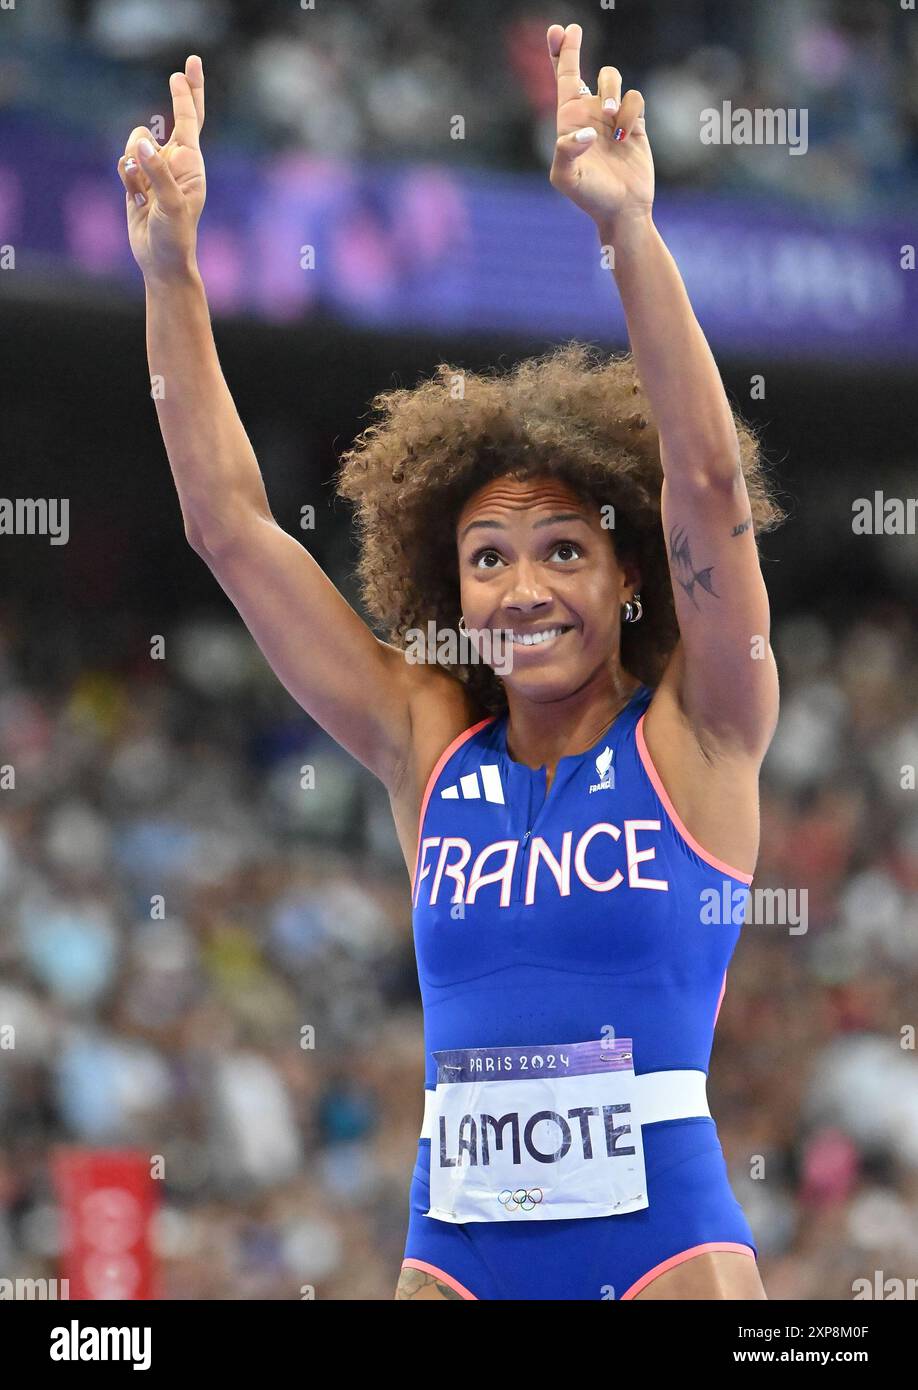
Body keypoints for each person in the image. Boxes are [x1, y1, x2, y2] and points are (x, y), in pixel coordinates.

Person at [117, 22, 784, 1300]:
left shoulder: (704, 728)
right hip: (457, 1250)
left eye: (561, 552)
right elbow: (230, 527)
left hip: (663, 1251)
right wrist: (170, 274)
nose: (523, 587)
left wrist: (627, 234)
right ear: (450, 586)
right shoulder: (426, 737)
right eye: (487, 558)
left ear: (629, 569)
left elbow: (705, 482)